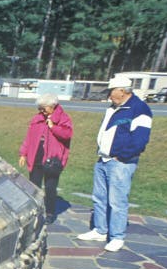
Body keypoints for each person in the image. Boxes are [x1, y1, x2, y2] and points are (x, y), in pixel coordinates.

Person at [77, 76, 152, 252]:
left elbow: (140, 140)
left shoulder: (139, 109)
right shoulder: (113, 108)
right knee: (99, 197)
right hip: (103, 159)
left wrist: (122, 156)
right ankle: (100, 230)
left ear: (122, 90)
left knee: (117, 201)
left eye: (111, 91)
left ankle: (117, 237)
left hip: (120, 162)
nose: (110, 96)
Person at [18, 93, 73, 224]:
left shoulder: (64, 118)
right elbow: (29, 137)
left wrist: (53, 127)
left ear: (52, 106)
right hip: (36, 156)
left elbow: (67, 134)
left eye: (44, 108)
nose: (41, 111)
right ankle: (34, 210)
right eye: (40, 108)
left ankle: (50, 212)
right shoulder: (37, 118)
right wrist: (23, 153)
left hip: (52, 159)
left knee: (50, 187)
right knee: (33, 186)